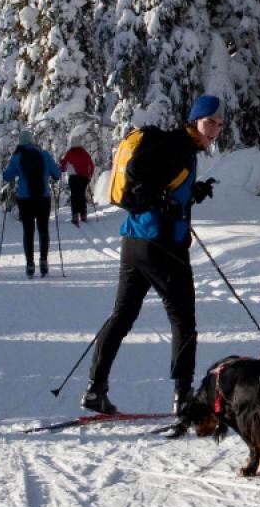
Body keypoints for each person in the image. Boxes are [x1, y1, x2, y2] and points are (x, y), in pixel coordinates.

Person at [82, 95, 224, 415]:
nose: (213, 130)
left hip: (135, 242)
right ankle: (184, 396)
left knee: (122, 316)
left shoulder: (181, 147)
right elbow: (141, 181)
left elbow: (163, 185)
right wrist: (163, 203)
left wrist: (192, 193)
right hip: (162, 245)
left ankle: (95, 389)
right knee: (183, 319)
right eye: (209, 122)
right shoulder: (177, 146)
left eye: (218, 124)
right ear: (194, 121)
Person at [4, 132, 63, 278]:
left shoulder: (17, 157)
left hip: (25, 199)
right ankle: (43, 261)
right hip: (43, 197)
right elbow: (57, 174)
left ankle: (30, 263)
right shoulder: (44, 154)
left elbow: (7, 176)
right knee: (43, 230)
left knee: (28, 231)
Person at [62, 142, 95, 226]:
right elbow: (91, 165)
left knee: (74, 196)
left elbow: (63, 167)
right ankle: (83, 214)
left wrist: (62, 165)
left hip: (73, 177)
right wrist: (89, 176)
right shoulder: (84, 153)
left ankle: (75, 215)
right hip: (84, 178)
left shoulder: (69, 153)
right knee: (81, 194)